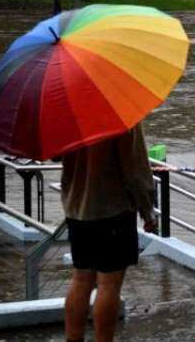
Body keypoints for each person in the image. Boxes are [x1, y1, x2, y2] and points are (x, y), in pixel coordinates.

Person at [60, 123, 157, 342]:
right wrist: (147, 209)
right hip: (113, 209)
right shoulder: (121, 115)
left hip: (77, 209)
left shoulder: (68, 111)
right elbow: (135, 169)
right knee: (109, 284)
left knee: (81, 278)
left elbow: (56, 155)